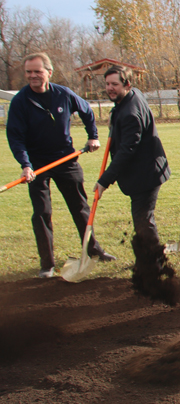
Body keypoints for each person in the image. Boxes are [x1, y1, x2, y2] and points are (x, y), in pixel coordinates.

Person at [6, 52, 114, 277]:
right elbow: (15, 137)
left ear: (49, 72)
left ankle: (93, 250)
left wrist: (93, 136)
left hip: (66, 159)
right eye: (29, 72)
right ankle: (47, 264)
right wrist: (26, 165)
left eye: (37, 71)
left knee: (80, 207)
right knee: (42, 212)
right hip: (36, 165)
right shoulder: (20, 102)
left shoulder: (63, 94)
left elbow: (87, 111)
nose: (32, 76)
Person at [95, 65, 171, 247]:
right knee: (143, 218)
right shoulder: (132, 95)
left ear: (127, 84)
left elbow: (127, 150)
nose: (110, 88)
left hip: (145, 175)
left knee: (143, 220)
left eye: (115, 84)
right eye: (107, 84)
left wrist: (104, 180)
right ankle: (150, 259)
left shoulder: (130, 114)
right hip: (146, 170)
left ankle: (153, 262)